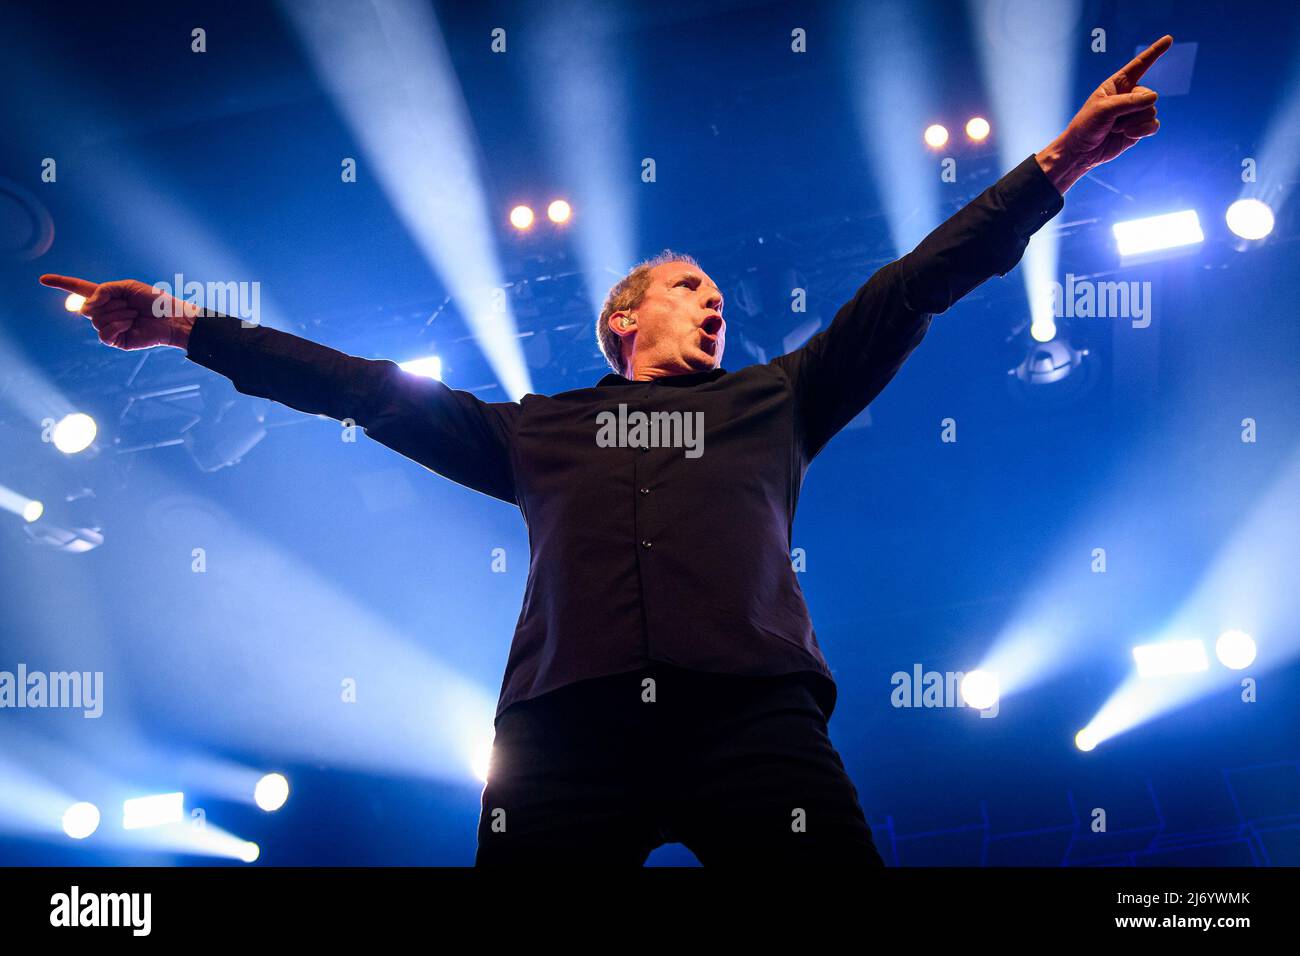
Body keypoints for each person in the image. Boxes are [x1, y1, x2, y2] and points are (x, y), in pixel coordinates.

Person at [39, 37, 1171, 866]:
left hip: (752, 718)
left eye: (721, 296)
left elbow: (912, 286)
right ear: (622, 319)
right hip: (562, 731)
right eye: (691, 290)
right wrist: (183, 324)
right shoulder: (533, 430)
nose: (715, 307)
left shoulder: (779, 397)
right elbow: (359, 389)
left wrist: (1057, 166)